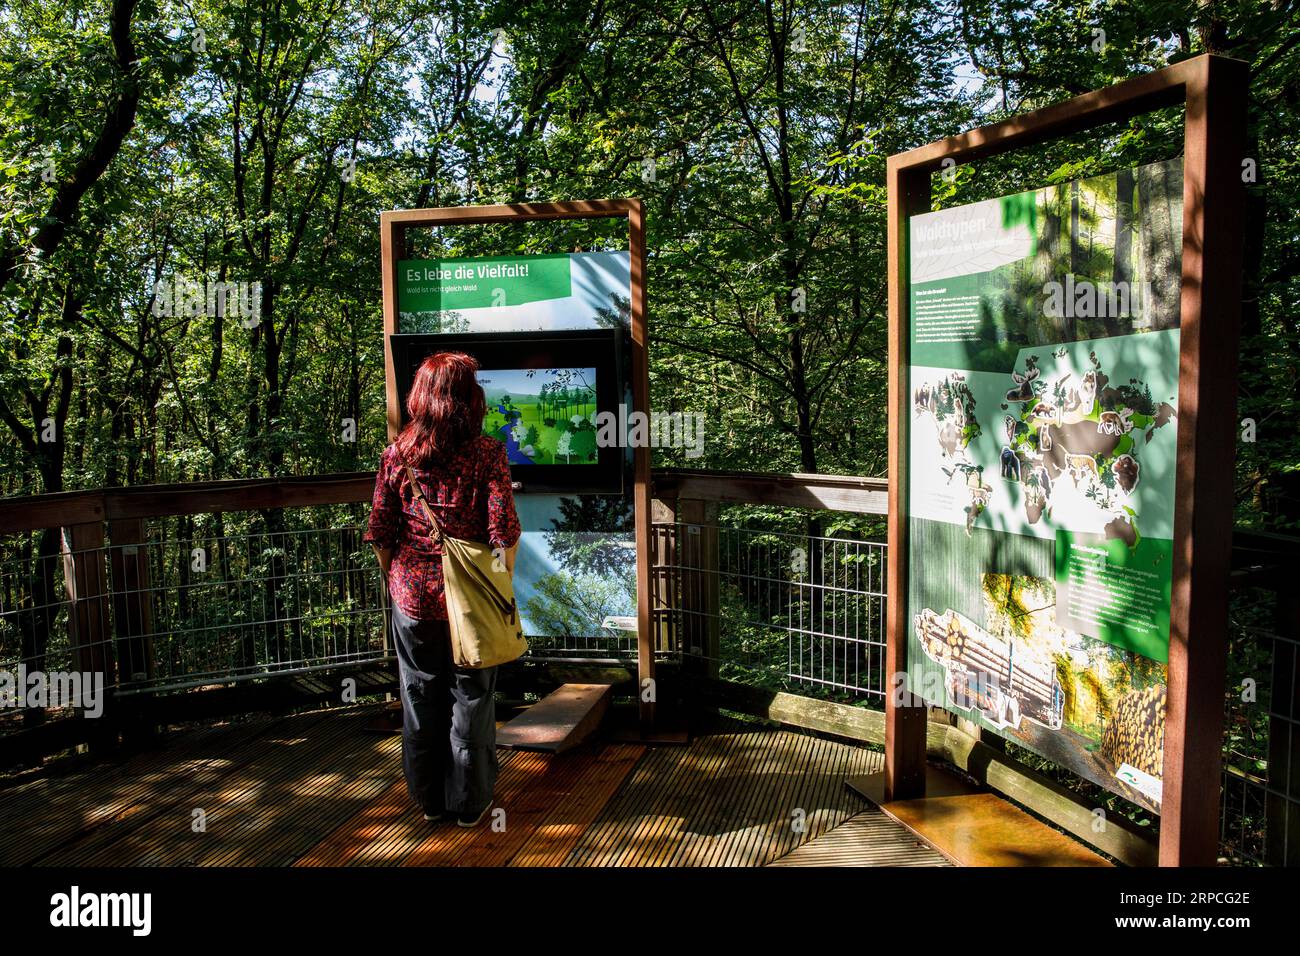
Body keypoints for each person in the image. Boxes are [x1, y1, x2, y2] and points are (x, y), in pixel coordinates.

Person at [364, 351, 522, 827]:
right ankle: (469, 804)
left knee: (419, 696)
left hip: (413, 598)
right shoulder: (488, 453)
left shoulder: (397, 454)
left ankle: (429, 801)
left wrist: (399, 582)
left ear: (421, 397)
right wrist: (499, 588)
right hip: (470, 602)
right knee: (471, 698)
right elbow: (504, 534)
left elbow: (381, 530)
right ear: (467, 399)